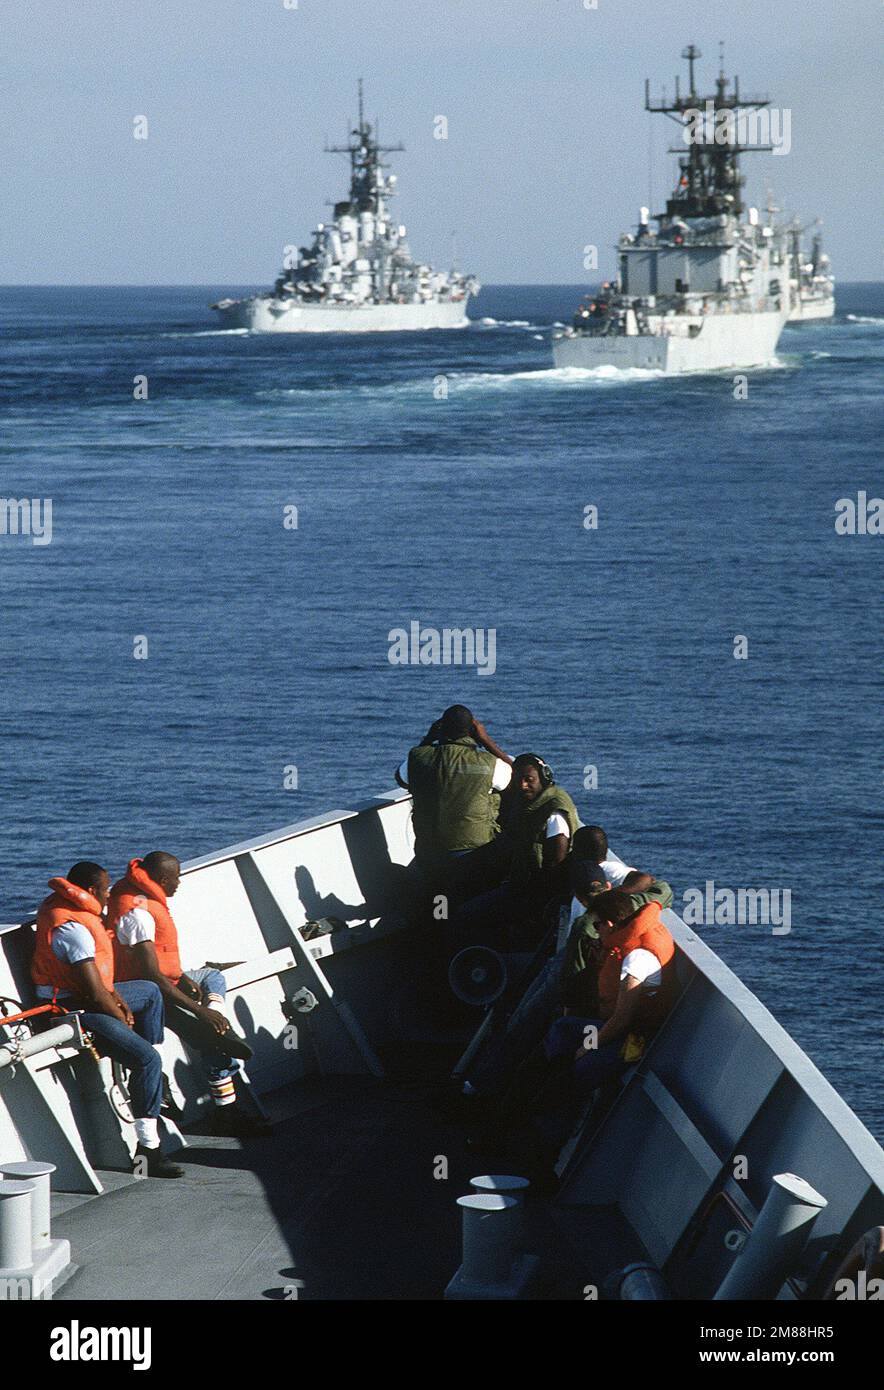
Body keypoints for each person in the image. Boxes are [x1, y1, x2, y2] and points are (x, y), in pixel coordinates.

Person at [30, 862, 183, 1178]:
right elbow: (93, 994)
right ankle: (149, 1150)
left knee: (150, 991)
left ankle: (157, 1081)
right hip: (72, 1011)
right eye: (104, 888)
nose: (107, 893)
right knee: (147, 1060)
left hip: (92, 995)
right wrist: (118, 1012)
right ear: (89, 891)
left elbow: (100, 988)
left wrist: (116, 1000)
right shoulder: (72, 930)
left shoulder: (69, 910)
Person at [108, 851, 267, 1138]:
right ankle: (226, 1115)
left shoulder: (135, 894)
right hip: (151, 992)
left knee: (211, 976)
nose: (179, 882)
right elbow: (150, 975)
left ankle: (217, 1017)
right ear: (162, 879)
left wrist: (186, 983)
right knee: (215, 1043)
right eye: (176, 877)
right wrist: (200, 1011)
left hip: (166, 981)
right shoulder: (139, 913)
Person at [454, 753, 579, 948]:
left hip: (534, 892)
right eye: (518, 780)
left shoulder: (554, 812)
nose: (523, 786)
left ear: (544, 779)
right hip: (522, 883)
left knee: (466, 915)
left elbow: (556, 863)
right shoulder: (529, 805)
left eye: (529, 780)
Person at [396, 705, 513, 893]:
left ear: (440, 728)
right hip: (474, 851)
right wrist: (485, 739)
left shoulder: (418, 757)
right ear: (472, 731)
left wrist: (428, 738)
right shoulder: (489, 763)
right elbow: (519, 776)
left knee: (438, 899)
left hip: (428, 850)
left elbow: (401, 778)